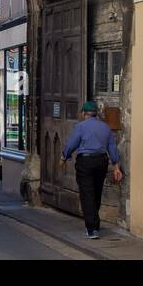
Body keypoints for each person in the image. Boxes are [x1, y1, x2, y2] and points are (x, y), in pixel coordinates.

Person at [61, 101, 122, 239]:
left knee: (87, 193)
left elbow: (71, 144)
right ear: (96, 113)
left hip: (86, 162)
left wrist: (64, 156)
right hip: (101, 161)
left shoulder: (81, 126)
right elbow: (112, 147)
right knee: (96, 191)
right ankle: (94, 222)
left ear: (83, 113)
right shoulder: (105, 127)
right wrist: (116, 166)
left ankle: (92, 228)